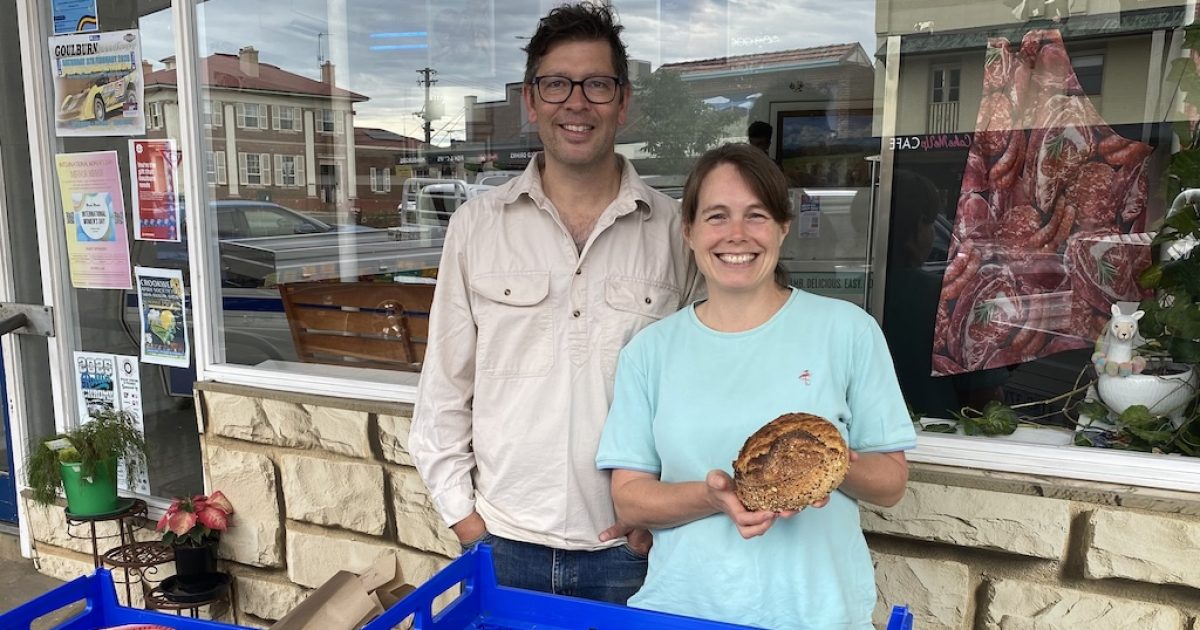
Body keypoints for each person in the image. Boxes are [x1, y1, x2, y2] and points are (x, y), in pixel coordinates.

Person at [409, 2, 698, 605]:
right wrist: (466, 522)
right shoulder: (476, 227)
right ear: (530, 100)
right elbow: (443, 390)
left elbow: (702, 394)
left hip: (631, 551)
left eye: (596, 84)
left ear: (624, 102)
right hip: (502, 544)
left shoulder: (677, 232)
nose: (576, 102)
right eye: (556, 84)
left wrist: (663, 517)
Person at [595, 143, 916, 629]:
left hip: (816, 613)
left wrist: (826, 465)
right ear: (689, 231)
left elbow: (891, 485)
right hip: (684, 610)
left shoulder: (848, 330)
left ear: (784, 227)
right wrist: (713, 497)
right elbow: (630, 499)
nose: (736, 235)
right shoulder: (650, 351)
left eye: (757, 215)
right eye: (717, 216)